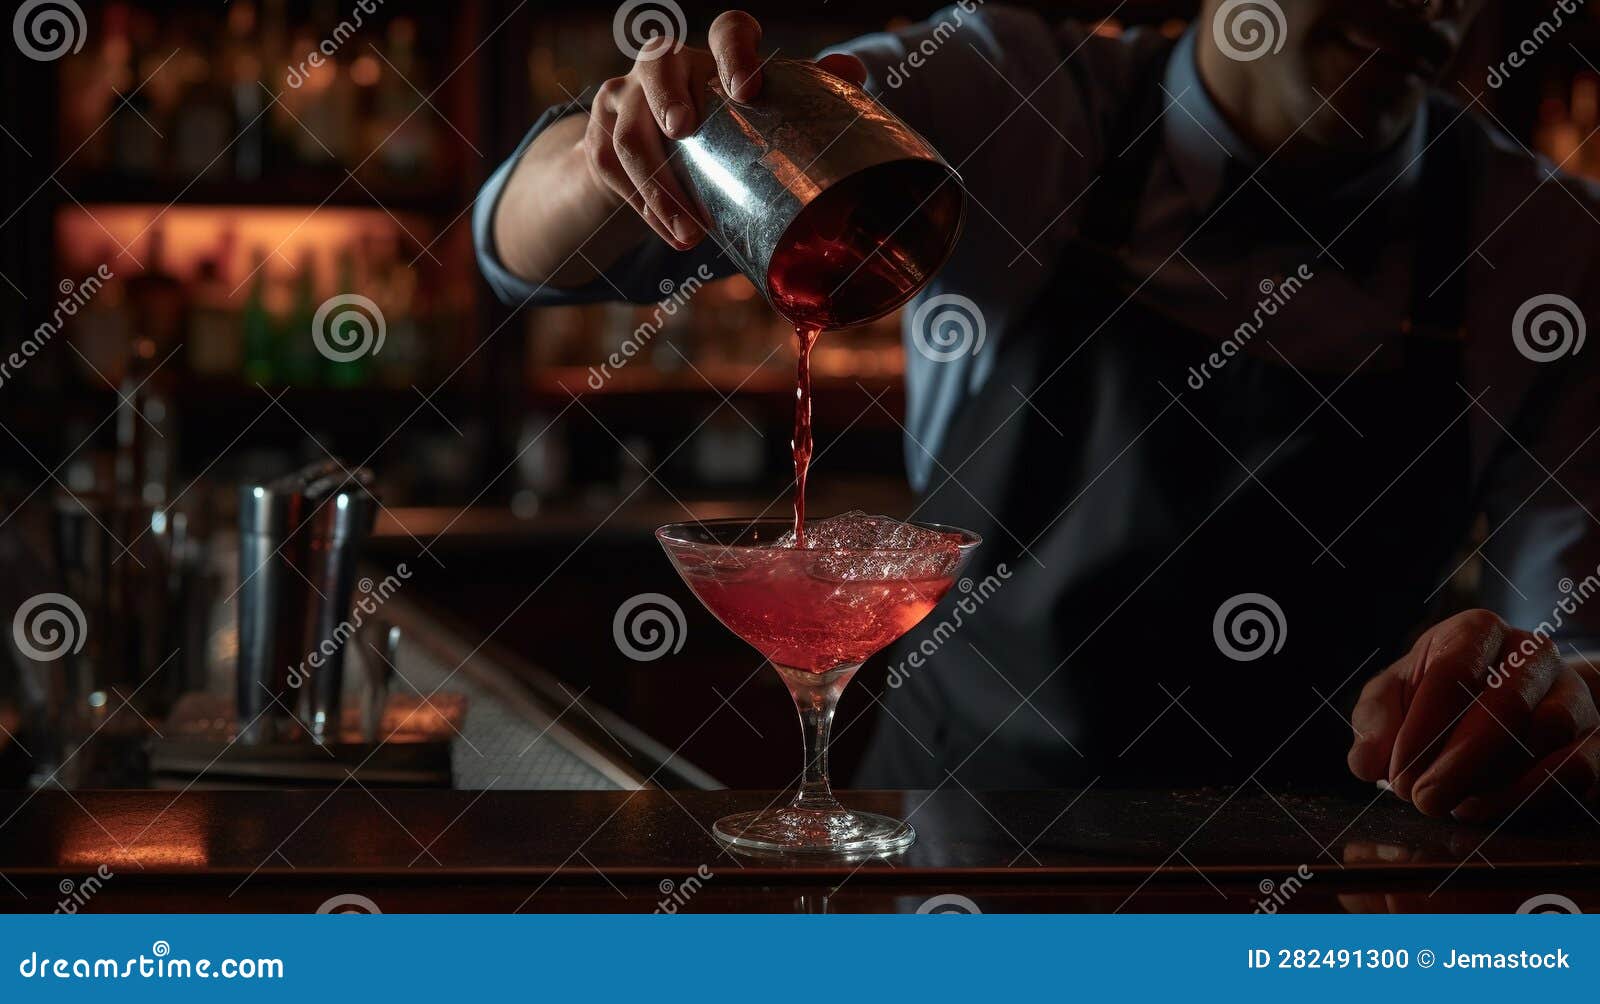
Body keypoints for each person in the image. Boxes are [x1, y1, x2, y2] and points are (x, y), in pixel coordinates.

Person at [475, 1, 1600, 819]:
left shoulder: (1543, 245)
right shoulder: (1012, 94)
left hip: (1294, 870)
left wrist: (1543, 694)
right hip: (948, 838)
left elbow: (1571, 640)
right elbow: (523, 253)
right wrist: (610, 152)